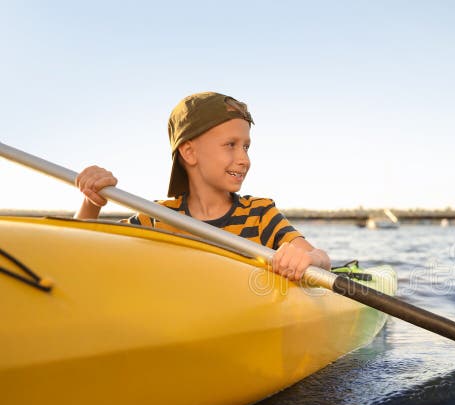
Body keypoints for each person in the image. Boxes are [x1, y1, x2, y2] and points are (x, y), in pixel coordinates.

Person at [74, 92, 330, 281]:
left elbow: (321, 260)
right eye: (231, 144)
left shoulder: (260, 214)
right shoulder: (157, 219)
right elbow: (83, 255)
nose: (244, 159)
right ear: (189, 152)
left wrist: (306, 259)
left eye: (246, 146)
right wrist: (91, 201)